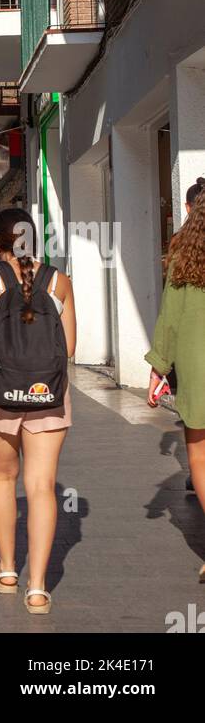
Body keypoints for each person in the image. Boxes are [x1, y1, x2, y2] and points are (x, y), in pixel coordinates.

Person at [0, 208, 76, 615]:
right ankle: (37, 589)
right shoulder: (59, 281)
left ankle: (10, 570)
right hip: (48, 394)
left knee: (1, 478)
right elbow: (68, 350)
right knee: (41, 486)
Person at [146, 187, 205, 582]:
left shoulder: (184, 248)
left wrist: (158, 367)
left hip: (197, 360)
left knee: (199, 456)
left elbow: (170, 313)